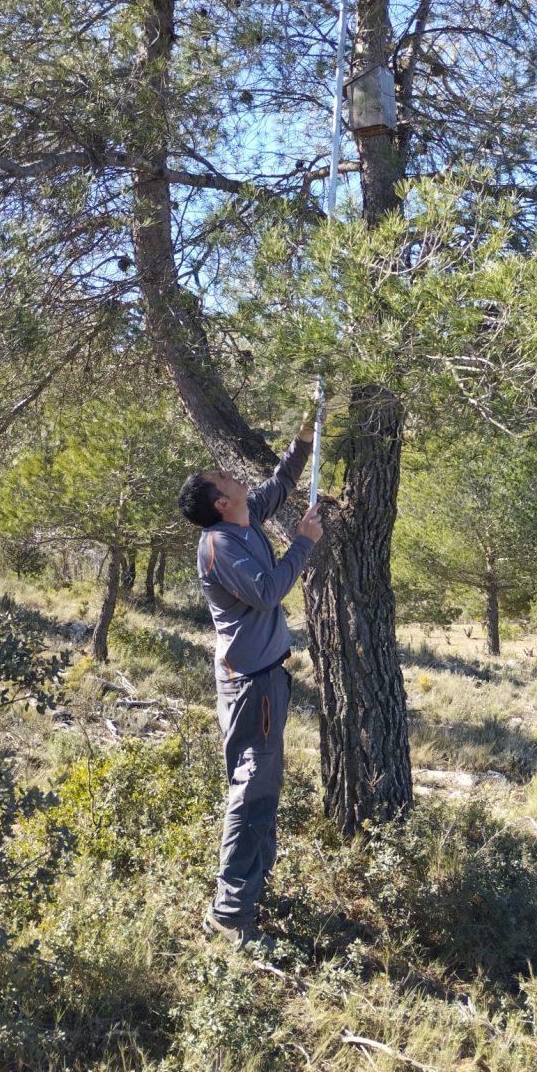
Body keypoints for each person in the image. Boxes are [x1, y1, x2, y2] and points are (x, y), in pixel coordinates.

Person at [177, 405, 323, 956]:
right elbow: (266, 591)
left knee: (262, 789)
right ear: (221, 501)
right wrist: (303, 541)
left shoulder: (245, 518)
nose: (233, 476)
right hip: (250, 687)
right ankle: (230, 912)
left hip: (265, 680)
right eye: (224, 478)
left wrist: (303, 439)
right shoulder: (219, 545)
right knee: (252, 790)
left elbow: (281, 483)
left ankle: (249, 892)